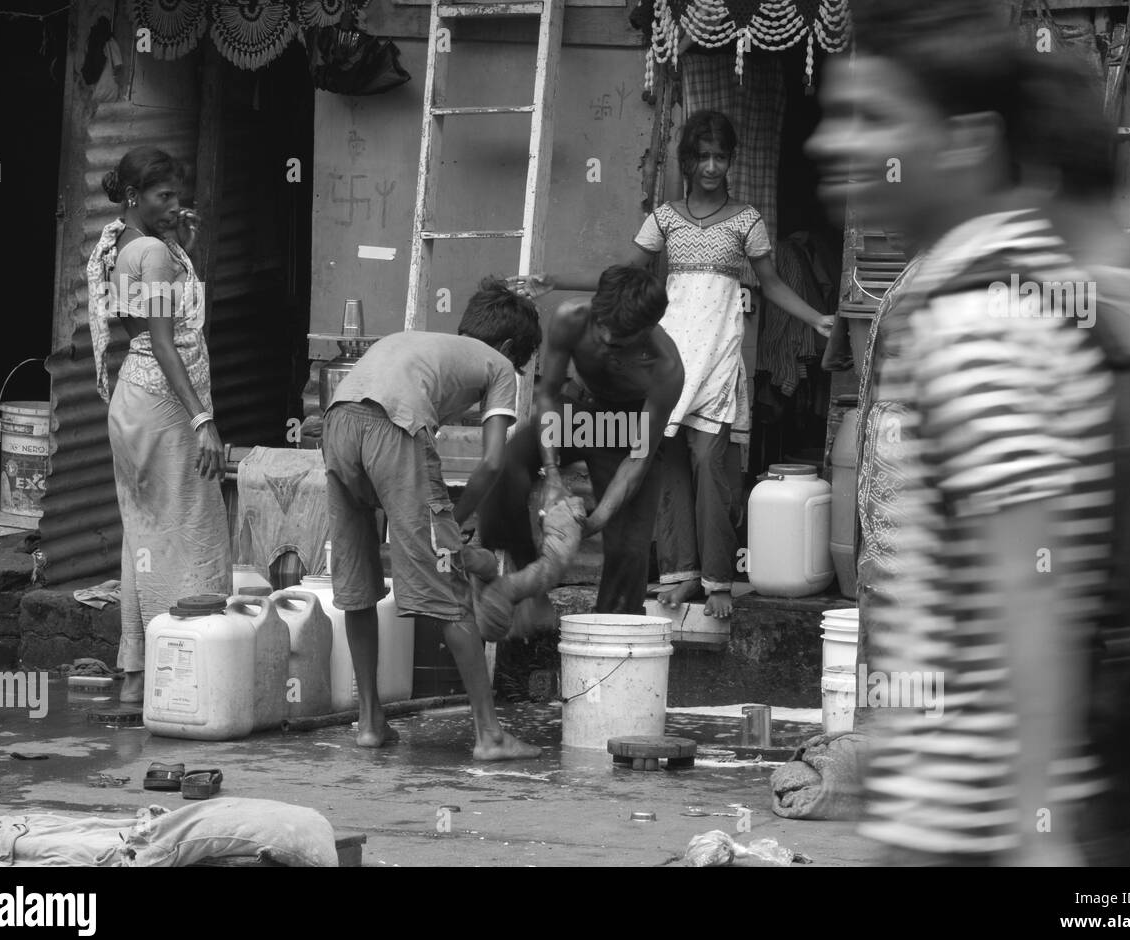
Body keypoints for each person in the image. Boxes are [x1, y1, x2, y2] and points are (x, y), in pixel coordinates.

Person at [806, 0, 1117, 865]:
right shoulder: (987, 281)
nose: (831, 144)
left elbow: (1031, 612)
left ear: (965, 141)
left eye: (873, 118)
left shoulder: (983, 319)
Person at [513, 112, 832, 619]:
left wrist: (817, 318)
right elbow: (623, 275)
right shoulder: (664, 217)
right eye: (702, 156)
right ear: (687, 161)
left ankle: (719, 580)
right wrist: (555, 280)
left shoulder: (747, 220)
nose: (711, 166)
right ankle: (682, 575)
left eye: (720, 157)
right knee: (669, 467)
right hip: (666, 355)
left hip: (718, 354)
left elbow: (769, 283)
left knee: (711, 467)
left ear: (731, 162)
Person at [322, 279, 542, 759]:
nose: (515, 370)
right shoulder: (499, 364)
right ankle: (490, 736)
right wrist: (455, 522)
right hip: (392, 426)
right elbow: (491, 463)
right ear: (508, 348)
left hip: (337, 421)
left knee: (358, 586)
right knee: (450, 591)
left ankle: (369, 722)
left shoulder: (419, 341)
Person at [87, 147, 228, 704]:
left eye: (178, 195)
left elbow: (137, 321)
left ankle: (137, 674)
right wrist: (203, 420)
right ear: (133, 197)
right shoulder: (153, 253)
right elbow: (165, 341)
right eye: (163, 196)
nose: (176, 205)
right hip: (165, 404)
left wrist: (180, 248)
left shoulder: (121, 243)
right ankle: (187, 673)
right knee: (191, 528)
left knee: (145, 534)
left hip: (132, 401)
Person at [478, 265, 683, 618]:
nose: (604, 337)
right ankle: (530, 585)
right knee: (506, 467)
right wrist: (553, 475)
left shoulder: (666, 369)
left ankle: (609, 647)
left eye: (618, 338)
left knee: (628, 552)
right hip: (579, 413)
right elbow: (547, 396)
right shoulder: (572, 317)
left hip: (628, 429)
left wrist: (597, 519)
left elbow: (637, 459)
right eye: (600, 324)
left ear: (646, 331)